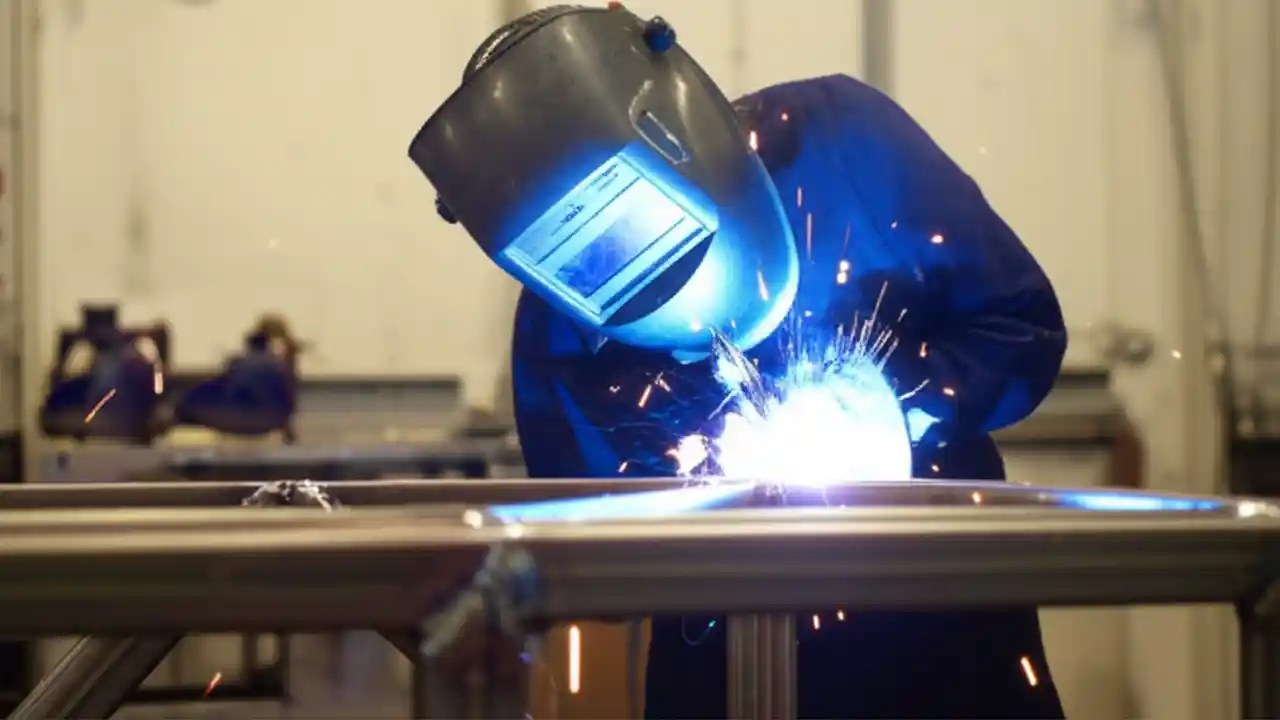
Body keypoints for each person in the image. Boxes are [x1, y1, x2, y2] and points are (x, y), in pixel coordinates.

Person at [511, 73, 1068, 719]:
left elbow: (1022, 329)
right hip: (718, 662)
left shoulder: (838, 137)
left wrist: (895, 404)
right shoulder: (562, 292)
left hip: (940, 622)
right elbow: (587, 548)